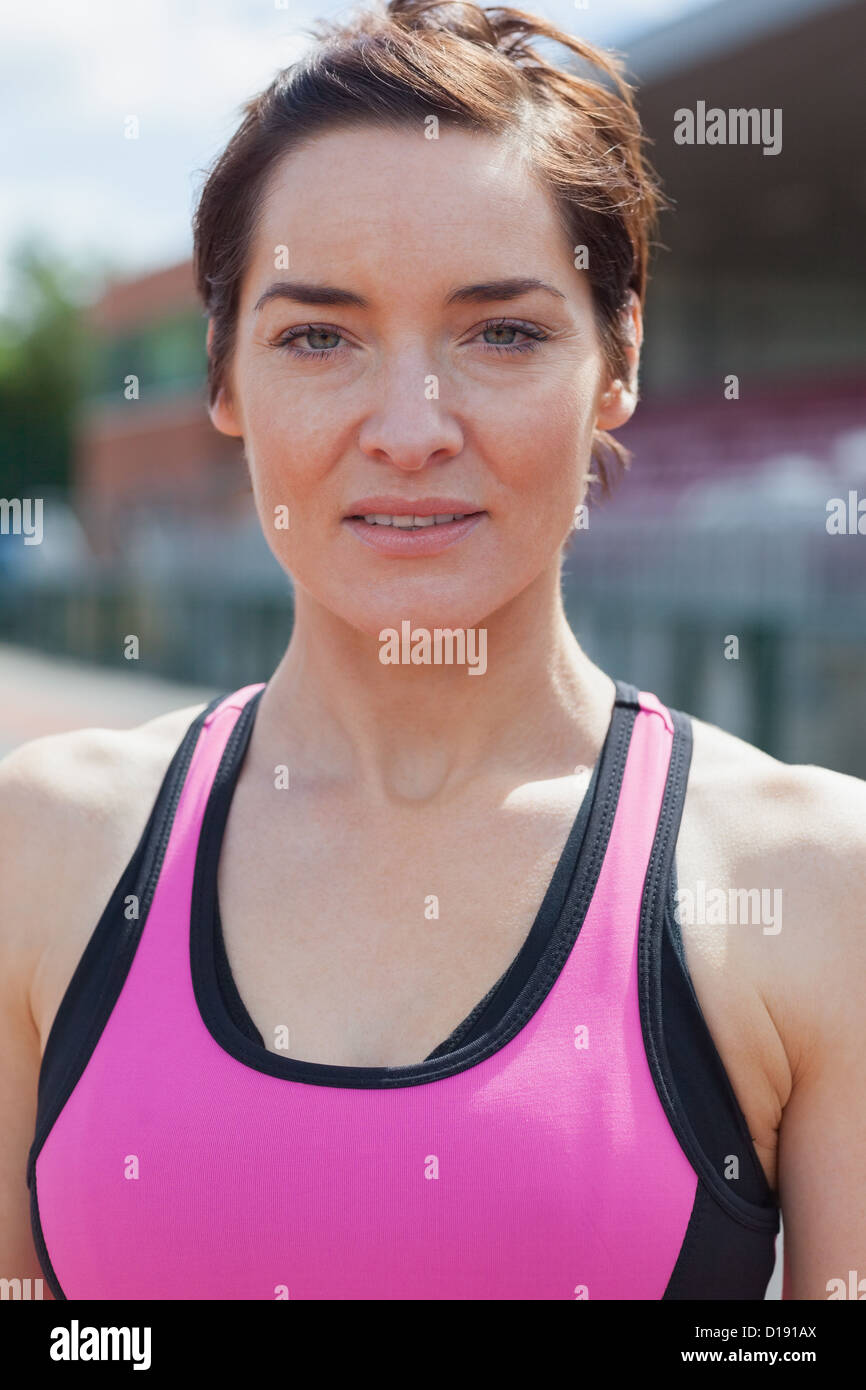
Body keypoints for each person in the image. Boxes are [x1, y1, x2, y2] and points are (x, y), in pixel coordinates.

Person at [2, 0, 864, 1301]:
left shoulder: (816, 886)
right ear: (224, 379)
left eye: (500, 332)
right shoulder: (37, 854)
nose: (409, 428)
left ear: (616, 361)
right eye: (317, 336)